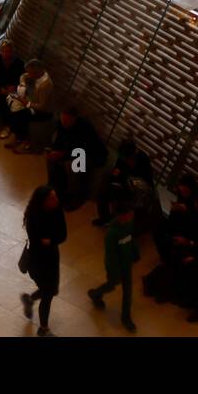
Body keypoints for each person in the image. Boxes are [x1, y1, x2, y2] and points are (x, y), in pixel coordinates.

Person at [20, 185, 67, 337]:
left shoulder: (57, 211)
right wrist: (49, 240)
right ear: (43, 201)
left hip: (52, 257)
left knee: (51, 290)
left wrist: (49, 240)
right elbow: (37, 241)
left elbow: (63, 235)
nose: (56, 199)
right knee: (48, 293)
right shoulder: (33, 217)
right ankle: (43, 329)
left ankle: (30, 299)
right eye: (52, 198)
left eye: (55, 196)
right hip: (37, 262)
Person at [87, 198, 140, 332]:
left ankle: (125, 317)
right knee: (111, 285)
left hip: (127, 264)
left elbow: (130, 238)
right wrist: (114, 272)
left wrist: (135, 252)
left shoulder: (129, 224)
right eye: (130, 213)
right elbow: (111, 256)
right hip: (115, 266)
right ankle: (95, 294)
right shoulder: (112, 233)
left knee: (128, 291)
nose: (132, 215)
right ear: (122, 215)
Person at [47, 105, 109, 211]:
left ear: (74, 119)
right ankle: (54, 187)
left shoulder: (84, 127)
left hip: (93, 155)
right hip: (74, 152)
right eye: (62, 119)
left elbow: (81, 150)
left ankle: (76, 196)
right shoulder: (62, 124)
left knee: (72, 166)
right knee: (51, 159)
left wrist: (62, 154)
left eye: (66, 120)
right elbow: (59, 140)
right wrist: (54, 152)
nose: (63, 122)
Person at [94, 138, 155, 227]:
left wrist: (126, 176)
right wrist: (116, 175)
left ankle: (122, 222)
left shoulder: (142, 159)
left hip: (138, 190)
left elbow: (144, 183)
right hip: (124, 184)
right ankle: (105, 218)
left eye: (128, 157)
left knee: (117, 192)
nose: (125, 159)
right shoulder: (123, 157)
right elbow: (117, 170)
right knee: (106, 183)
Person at [5, 59, 54, 152]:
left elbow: (42, 107)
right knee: (14, 111)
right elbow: (23, 76)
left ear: (37, 71)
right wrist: (23, 84)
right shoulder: (38, 75)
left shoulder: (45, 85)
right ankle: (17, 137)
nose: (28, 74)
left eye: (30, 73)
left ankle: (25, 142)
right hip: (33, 105)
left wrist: (27, 103)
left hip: (44, 113)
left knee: (22, 115)